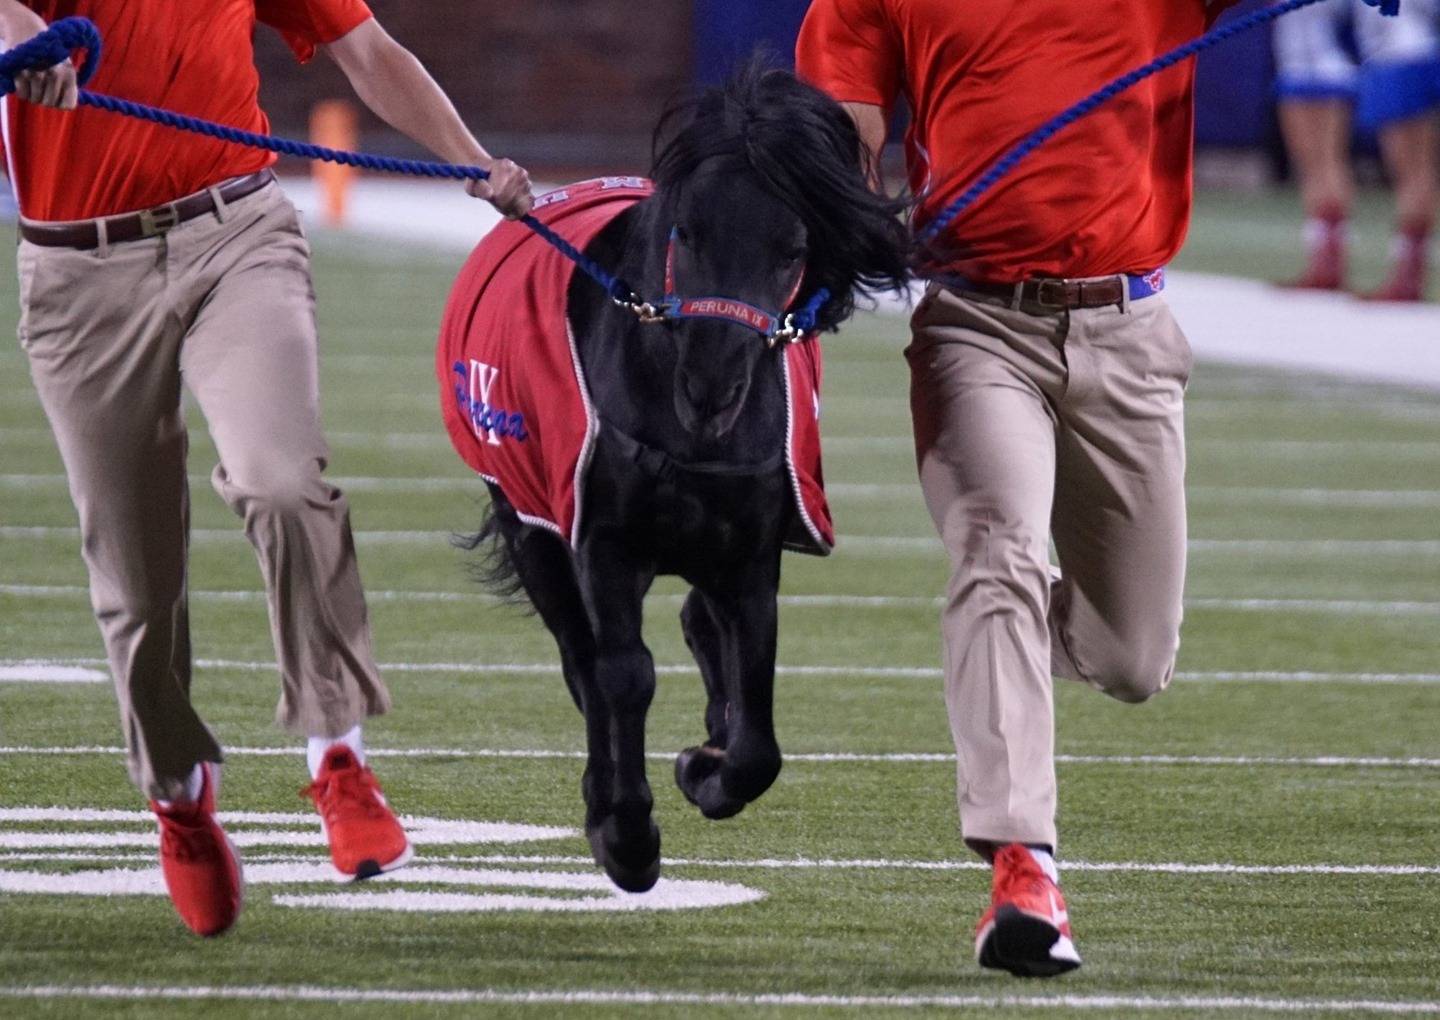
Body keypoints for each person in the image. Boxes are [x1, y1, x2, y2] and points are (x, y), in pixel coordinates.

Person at [796, 0, 1400, 980]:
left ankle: (988, 646)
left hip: (1132, 333)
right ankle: (1022, 870)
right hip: (974, 327)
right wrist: (835, 230)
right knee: (999, 554)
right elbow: (844, 148)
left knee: (1132, 658)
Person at [0, 0, 533, 937]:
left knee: (281, 482)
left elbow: (365, 50)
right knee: (134, 581)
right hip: (78, 277)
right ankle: (179, 793)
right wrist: (23, 52)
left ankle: (338, 757)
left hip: (235, 234)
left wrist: (472, 159)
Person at [1273, 0, 1439, 301]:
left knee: (1413, 166)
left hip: (1402, 53)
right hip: (1381, 51)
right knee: (1406, 166)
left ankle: (1409, 273)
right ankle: (1338, 261)